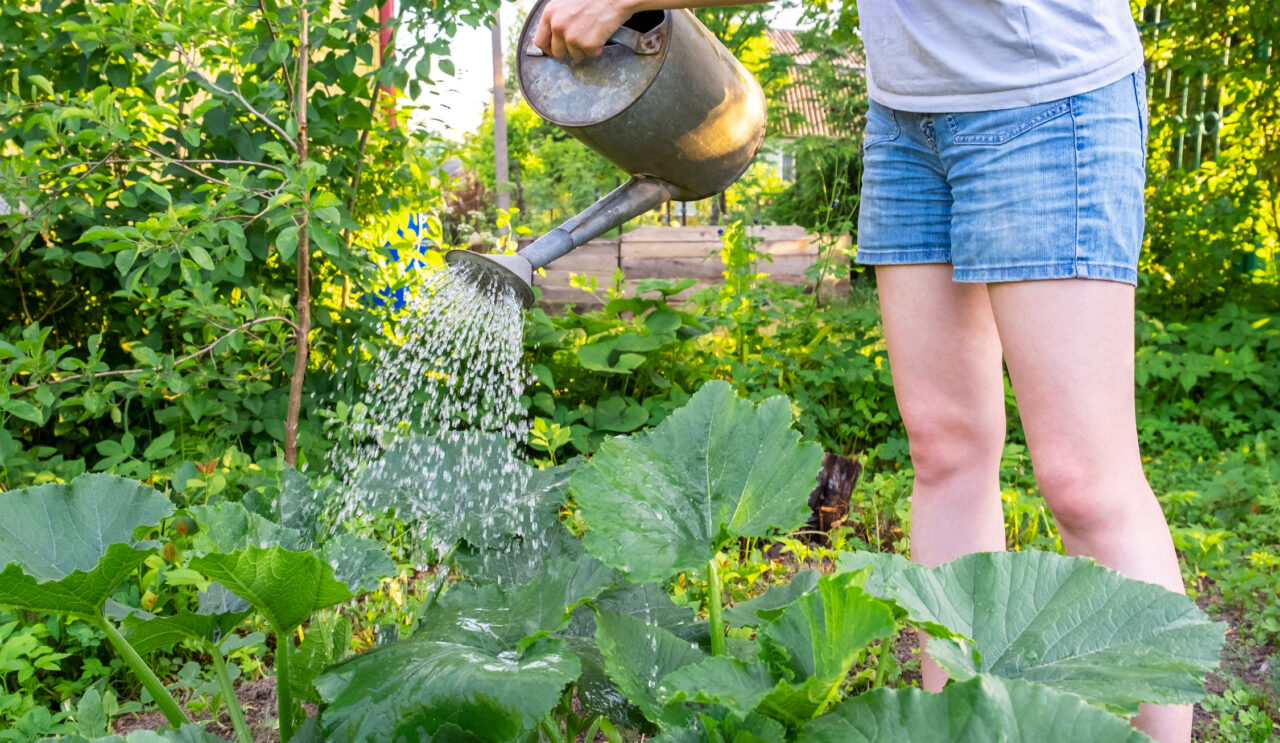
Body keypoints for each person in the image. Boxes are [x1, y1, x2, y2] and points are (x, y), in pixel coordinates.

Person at [535, 1, 1187, 741]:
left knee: (1085, 484)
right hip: (907, 117)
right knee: (944, 448)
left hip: (1048, 97)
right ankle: (961, 729)